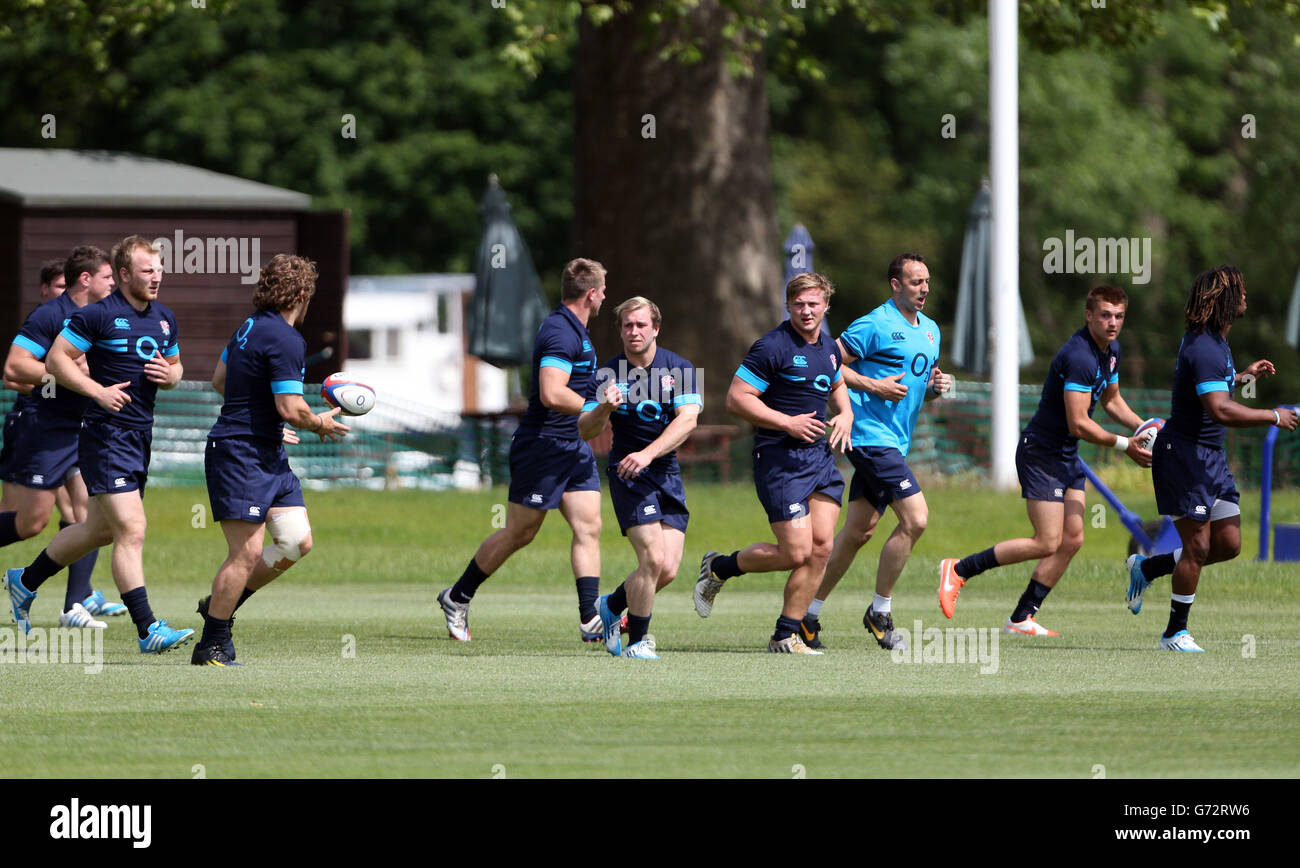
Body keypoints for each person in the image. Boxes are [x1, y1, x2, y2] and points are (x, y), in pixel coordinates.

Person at [3, 235, 194, 654]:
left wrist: (172, 374)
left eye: (160, 270)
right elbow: (55, 360)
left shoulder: (164, 318)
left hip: (139, 435)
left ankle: (25, 580)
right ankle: (148, 629)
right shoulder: (98, 315)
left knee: (97, 530)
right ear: (124, 274)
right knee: (132, 529)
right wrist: (96, 391)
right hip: (105, 435)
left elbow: (177, 366)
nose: (156, 277)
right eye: (147, 271)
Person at [938, 285, 1153, 635]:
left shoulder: (1111, 350)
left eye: (1119, 316)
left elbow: (1112, 400)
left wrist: (1145, 426)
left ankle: (1022, 616)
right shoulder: (1080, 356)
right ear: (1089, 316)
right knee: (1046, 542)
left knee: (1073, 538)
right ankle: (959, 570)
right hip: (1042, 454)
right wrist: (1125, 444)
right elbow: (1079, 422)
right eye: (1104, 315)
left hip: (1066, 456)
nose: (1112, 323)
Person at [437, 258, 613, 643]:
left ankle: (589, 620)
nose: (604, 297)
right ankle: (457, 596)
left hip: (573, 445)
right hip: (543, 446)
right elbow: (552, 393)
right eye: (602, 291)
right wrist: (592, 405)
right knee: (519, 532)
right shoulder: (559, 332)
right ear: (591, 293)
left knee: (589, 526)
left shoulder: (577, 331)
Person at [1124, 266, 1297, 651]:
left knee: (1230, 544)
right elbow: (1220, 410)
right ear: (1224, 299)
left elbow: (1215, 384)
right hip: (1185, 458)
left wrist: (1240, 375)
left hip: (1209, 459)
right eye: (1240, 289)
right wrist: (1272, 416)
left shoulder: (1215, 343)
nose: (1245, 295)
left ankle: (1148, 567)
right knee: (1198, 548)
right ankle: (1174, 633)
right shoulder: (1204, 346)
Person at [192, 254, 349, 666]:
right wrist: (319, 424)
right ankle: (211, 644)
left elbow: (219, 381)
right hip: (241, 454)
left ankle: (219, 604)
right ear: (301, 294)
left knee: (297, 541)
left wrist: (265, 420)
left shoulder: (249, 327)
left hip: (265, 452)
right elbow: (291, 407)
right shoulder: (286, 338)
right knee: (244, 554)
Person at [695, 272, 851, 654]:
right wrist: (787, 422)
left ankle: (785, 634)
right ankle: (720, 567)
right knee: (795, 552)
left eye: (813, 303)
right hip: (780, 461)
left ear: (826, 305)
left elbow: (837, 384)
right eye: (798, 303)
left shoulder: (830, 348)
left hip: (819, 459)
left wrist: (845, 413)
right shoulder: (772, 346)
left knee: (821, 548)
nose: (806, 310)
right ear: (788, 305)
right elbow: (737, 398)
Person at [801, 253, 951, 651]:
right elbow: (828, 362)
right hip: (869, 436)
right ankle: (880, 611)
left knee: (856, 534)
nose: (924, 289)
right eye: (916, 281)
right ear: (895, 285)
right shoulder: (875, 323)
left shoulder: (932, 330)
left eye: (927, 281)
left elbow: (920, 389)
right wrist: (872, 386)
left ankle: (806, 614)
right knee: (916, 519)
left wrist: (936, 388)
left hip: (895, 440)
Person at [0, 248, 125, 628]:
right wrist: (65, 371)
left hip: (82, 427)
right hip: (47, 428)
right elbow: (14, 367)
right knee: (30, 523)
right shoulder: (50, 314)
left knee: (90, 517)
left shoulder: (102, 316)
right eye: (108, 277)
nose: (114, 284)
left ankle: (74, 606)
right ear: (86, 280)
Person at [583, 296, 700, 659]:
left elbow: (688, 419)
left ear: (656, 329)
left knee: (667, 569)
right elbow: (585, 430)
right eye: (627, 325)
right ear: (619, 330)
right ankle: (638, 642)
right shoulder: (606, 374)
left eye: (641, 325)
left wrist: (649, 453)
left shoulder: (679, 369)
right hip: (628, 475)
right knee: (651, 558)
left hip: (665, 472)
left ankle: (612, 604)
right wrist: (604, 407)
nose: (634, 331)